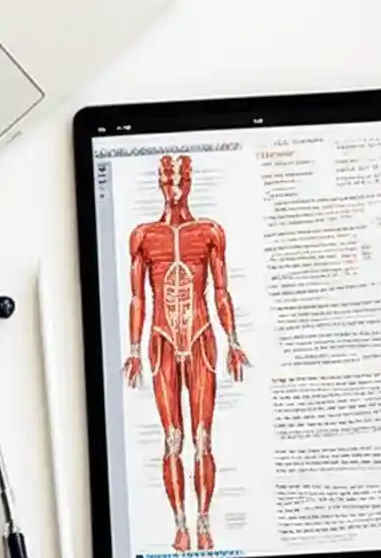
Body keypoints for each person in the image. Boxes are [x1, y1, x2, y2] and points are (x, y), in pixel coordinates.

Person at [124, 154, 250, 552]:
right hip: (161, 339)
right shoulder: (143, 236)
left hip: (200, 338)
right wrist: (132, 349)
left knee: (203, 438)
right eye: (167, 179)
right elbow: (137, 297)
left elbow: (220, 291)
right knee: (173, 439)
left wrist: (232, 340)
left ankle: (204, 521)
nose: (174, 187)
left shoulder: (209, 232)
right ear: (160, 182)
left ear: (190, 181)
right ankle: (180, 524)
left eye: (180, 179)